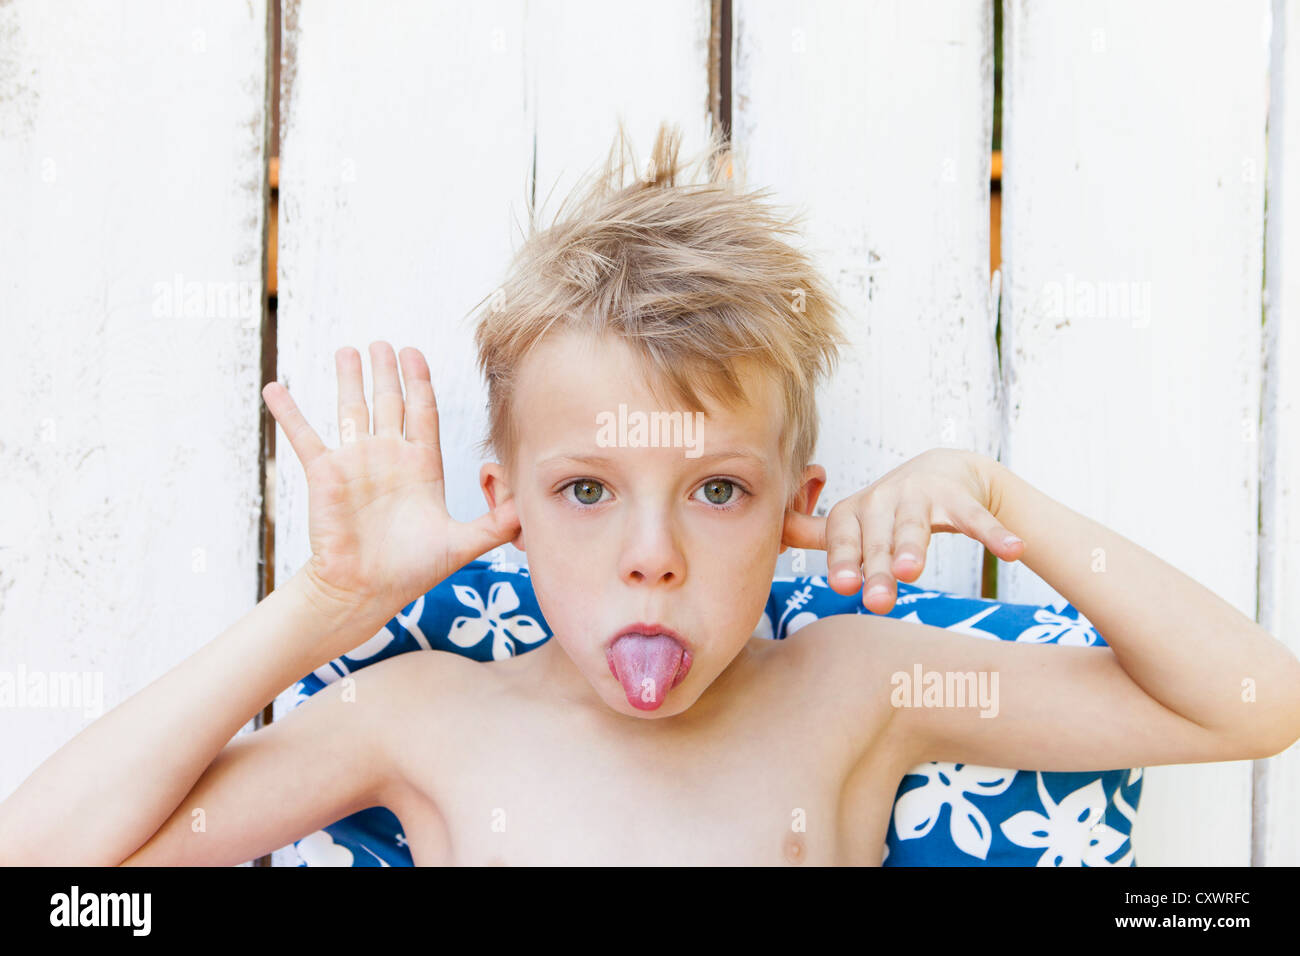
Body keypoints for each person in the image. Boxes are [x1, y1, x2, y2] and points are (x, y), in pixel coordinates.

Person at [3, 123, 1297, 866]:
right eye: (585, 491)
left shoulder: (863, 687)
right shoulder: (416, 719)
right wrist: (319, 612)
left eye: (718, 490)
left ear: (802, 501)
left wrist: (990, 492)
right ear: (502, 499)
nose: (652, 557)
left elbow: (1252, 704)